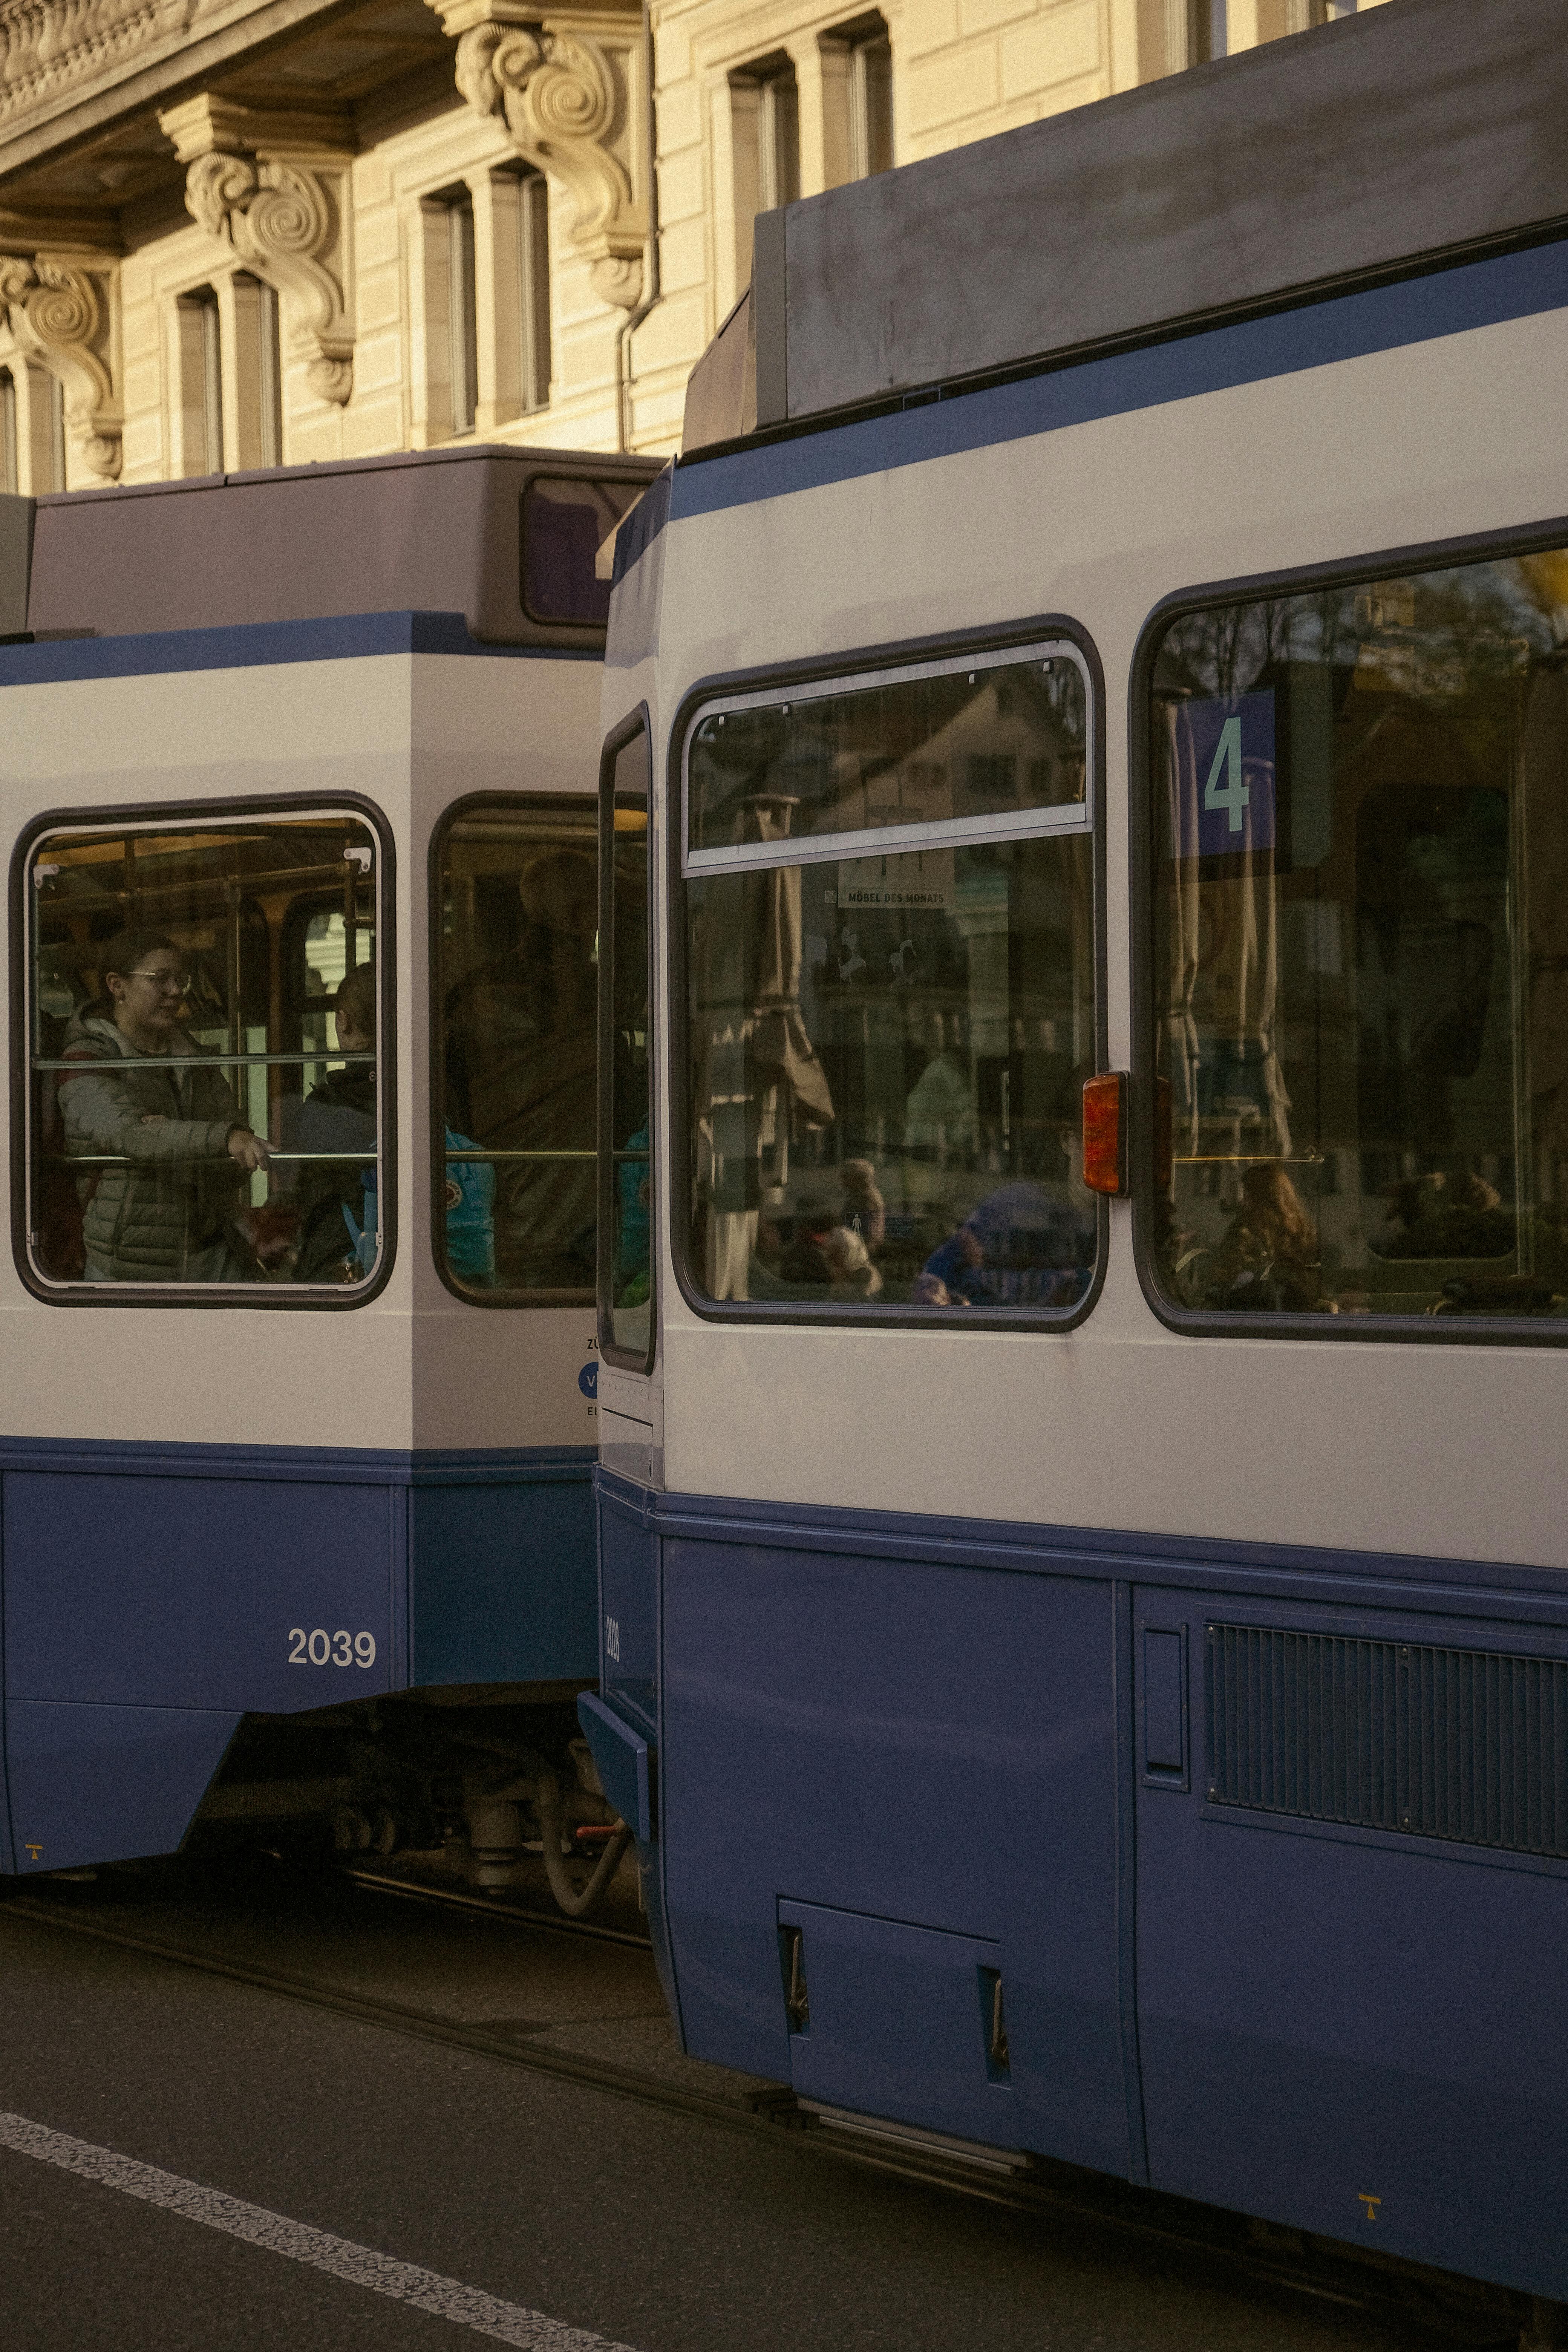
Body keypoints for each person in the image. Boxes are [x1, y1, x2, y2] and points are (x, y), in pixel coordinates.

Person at [58, 929, 269, 1283]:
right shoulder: (85, 1060)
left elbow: (237, 1151)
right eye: (160, 979)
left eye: (181, 980)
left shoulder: (191, 1058)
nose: (175, 992)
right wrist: (219, 1140)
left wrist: (176, 1137)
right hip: (130, 1264)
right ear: (117, 986)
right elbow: (130, 1135)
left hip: (207, 1250)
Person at [282, 962, 379, 1282]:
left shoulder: (324, 1107)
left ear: (343, 1020)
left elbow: (307, 1196)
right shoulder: (432, 1092)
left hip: (338, 1262)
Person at [1206, 1160, 1318, 1311]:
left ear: (1261, 1197)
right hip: (1287, 1314)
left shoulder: (1244, 1229)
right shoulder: (1299, 1229)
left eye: (1247, 1193)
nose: (1243, 1200)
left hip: (1260, 1312)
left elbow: (1227, 1273)